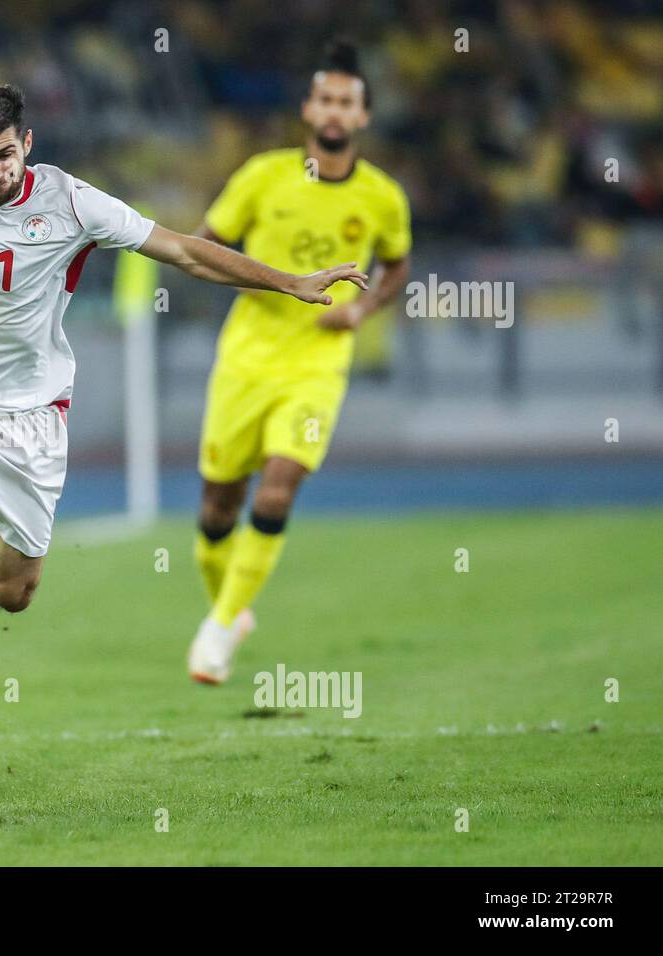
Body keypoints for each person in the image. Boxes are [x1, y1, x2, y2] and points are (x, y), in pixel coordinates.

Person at [0, 84, 368, 682]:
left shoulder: (71, 201)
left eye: (6, 154)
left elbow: (184, 251)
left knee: (13, 593)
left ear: (27, 143)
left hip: (29, 415)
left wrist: (286, 281)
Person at [187, 41, 412, 683]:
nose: (335, 111)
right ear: (309, 108)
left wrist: (362, 313)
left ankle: (218, 628)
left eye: (348, 101)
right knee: (215, 509)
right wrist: (275, 281)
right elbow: (204, 250)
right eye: (326, 98)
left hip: (318, 365)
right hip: (246, 359)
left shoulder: (382, 198)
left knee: (281, 482)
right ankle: (229, 608)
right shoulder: (263, 176)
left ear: (362, 116)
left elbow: (397, 266)